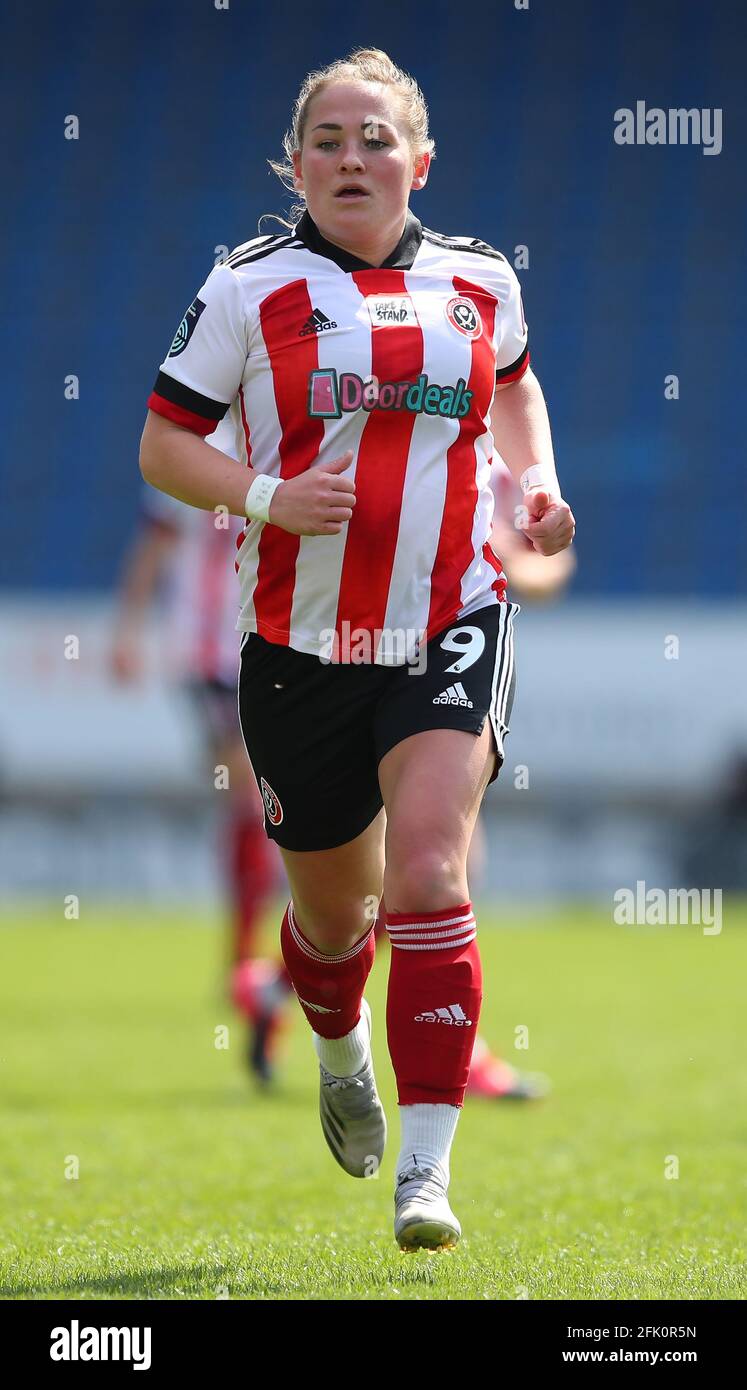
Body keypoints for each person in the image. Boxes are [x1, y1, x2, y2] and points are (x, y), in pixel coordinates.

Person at [139, 47, 575, 1251]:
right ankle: (337, 1042)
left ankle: (426, 1179)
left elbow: (517, 390)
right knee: (336, 926)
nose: (350, 157)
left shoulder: (484, 281)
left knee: (430, 872)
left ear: (419, 163)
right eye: (326, 139)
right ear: (294, 162)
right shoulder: (246, 287)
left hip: (450, 617)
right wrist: (272, 497)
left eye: (374, 138)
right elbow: (164, 448)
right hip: (297, 647)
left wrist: (536, 487)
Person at [111, 415, 290, 1082]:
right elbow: (154, 544)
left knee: (279, 813)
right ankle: (247, 965)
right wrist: (128, 628)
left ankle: (259, 972)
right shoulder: (195, 447)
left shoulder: (297, 431)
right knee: (255, 802)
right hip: (213, 655)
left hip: (287, 650)